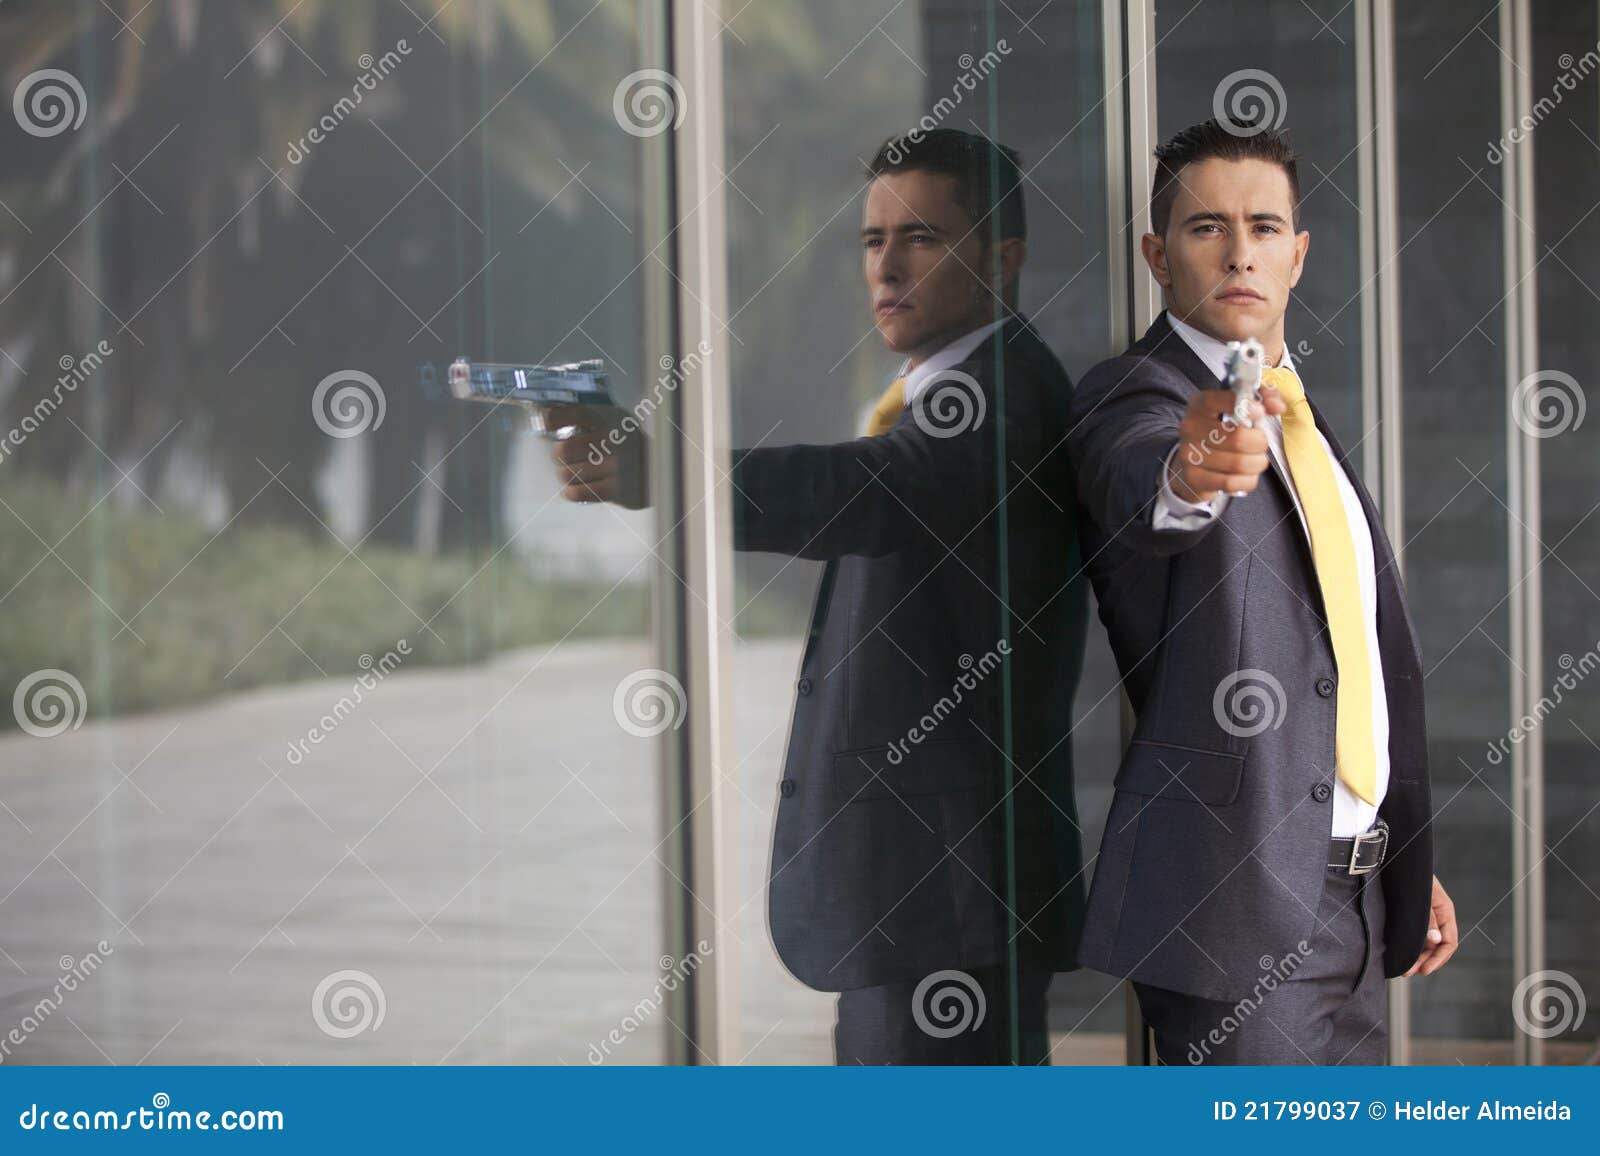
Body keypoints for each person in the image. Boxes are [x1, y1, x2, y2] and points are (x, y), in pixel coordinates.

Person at [548, 129, 1088, 1064]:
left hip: (948, 905)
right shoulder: (951, 390)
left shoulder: (1002, 396)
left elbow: (863, 493)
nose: (888, 266)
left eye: (921, 238)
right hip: (926, 902)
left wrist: (657, 469)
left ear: (1003, 259)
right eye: (873, 240)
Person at [1065, 118, 1458, 1065]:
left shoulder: (1300, 416)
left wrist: (1391, 852)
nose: (1240, 252)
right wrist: (1194, 468)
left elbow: (1350, 655)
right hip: (1233, 912)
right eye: (1207, 229)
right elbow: (1150, 489)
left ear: (1298, 253)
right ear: (1159, 257)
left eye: (1265, 227)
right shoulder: (1137, 399)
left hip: (1358, 898)